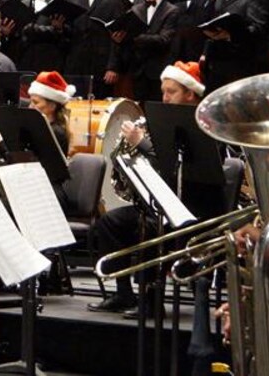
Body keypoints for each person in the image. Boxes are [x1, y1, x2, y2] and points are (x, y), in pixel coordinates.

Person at [88, 61, 206, 317]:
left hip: (193, 207)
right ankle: (123, 293)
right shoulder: (163, 123)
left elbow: (176, 165)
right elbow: (156, 164)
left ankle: (152, 302)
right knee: (110, 221)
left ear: (190, 93)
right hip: (162, 203)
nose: (164, 97)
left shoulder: (202, 125)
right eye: (163, 91)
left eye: (171, 92)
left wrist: (140, 142)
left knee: (149, 227)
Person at [200, 0, 268, 91]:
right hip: (216, 61)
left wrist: (231, 35)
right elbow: (207, 18)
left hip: (239, 63)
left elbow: (258, 28)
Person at [67, 0, 128, 95]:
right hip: (76, 62)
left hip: (101, 63)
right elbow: (70, 28)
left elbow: (118, 35)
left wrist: (113, 66)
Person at [117, 0, 178, 102]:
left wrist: (135, 37)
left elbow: (164, 39)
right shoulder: (136, 9)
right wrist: (119, 39)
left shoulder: (171, 11)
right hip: (138, 71)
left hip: (159, 71)